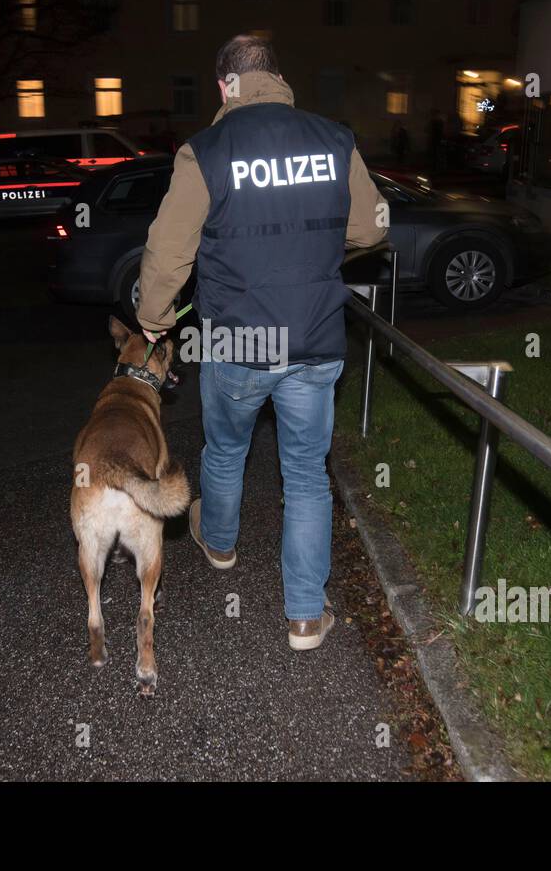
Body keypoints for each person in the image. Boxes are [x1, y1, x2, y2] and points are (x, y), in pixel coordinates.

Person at [136, 34, 388, 650]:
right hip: (314, 337)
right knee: (306, 474)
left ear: (226, 85)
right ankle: (304, 615)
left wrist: (154, 317)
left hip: (237, 341)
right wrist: (320, 254)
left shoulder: (207, 151)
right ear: (276, 76)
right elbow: (372, 226)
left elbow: (169, 252)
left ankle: (218, 544)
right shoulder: (335, 139)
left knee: (226, 450)